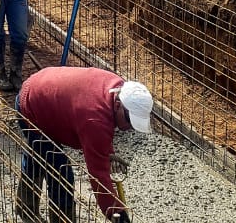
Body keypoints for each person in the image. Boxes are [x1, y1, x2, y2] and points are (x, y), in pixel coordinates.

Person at [15, 66, 152, 223]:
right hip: (32, 108)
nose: (129, 127)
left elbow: (103, 124)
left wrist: (106, 151)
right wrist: (118, 214)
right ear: (118, 105)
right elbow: (98, 176)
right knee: (60, 172)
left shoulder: (117, 88)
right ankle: (58, 219)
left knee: (38, 155)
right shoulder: (95, 119)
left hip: (42, 90)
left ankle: (25, 207)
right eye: (129, 121)